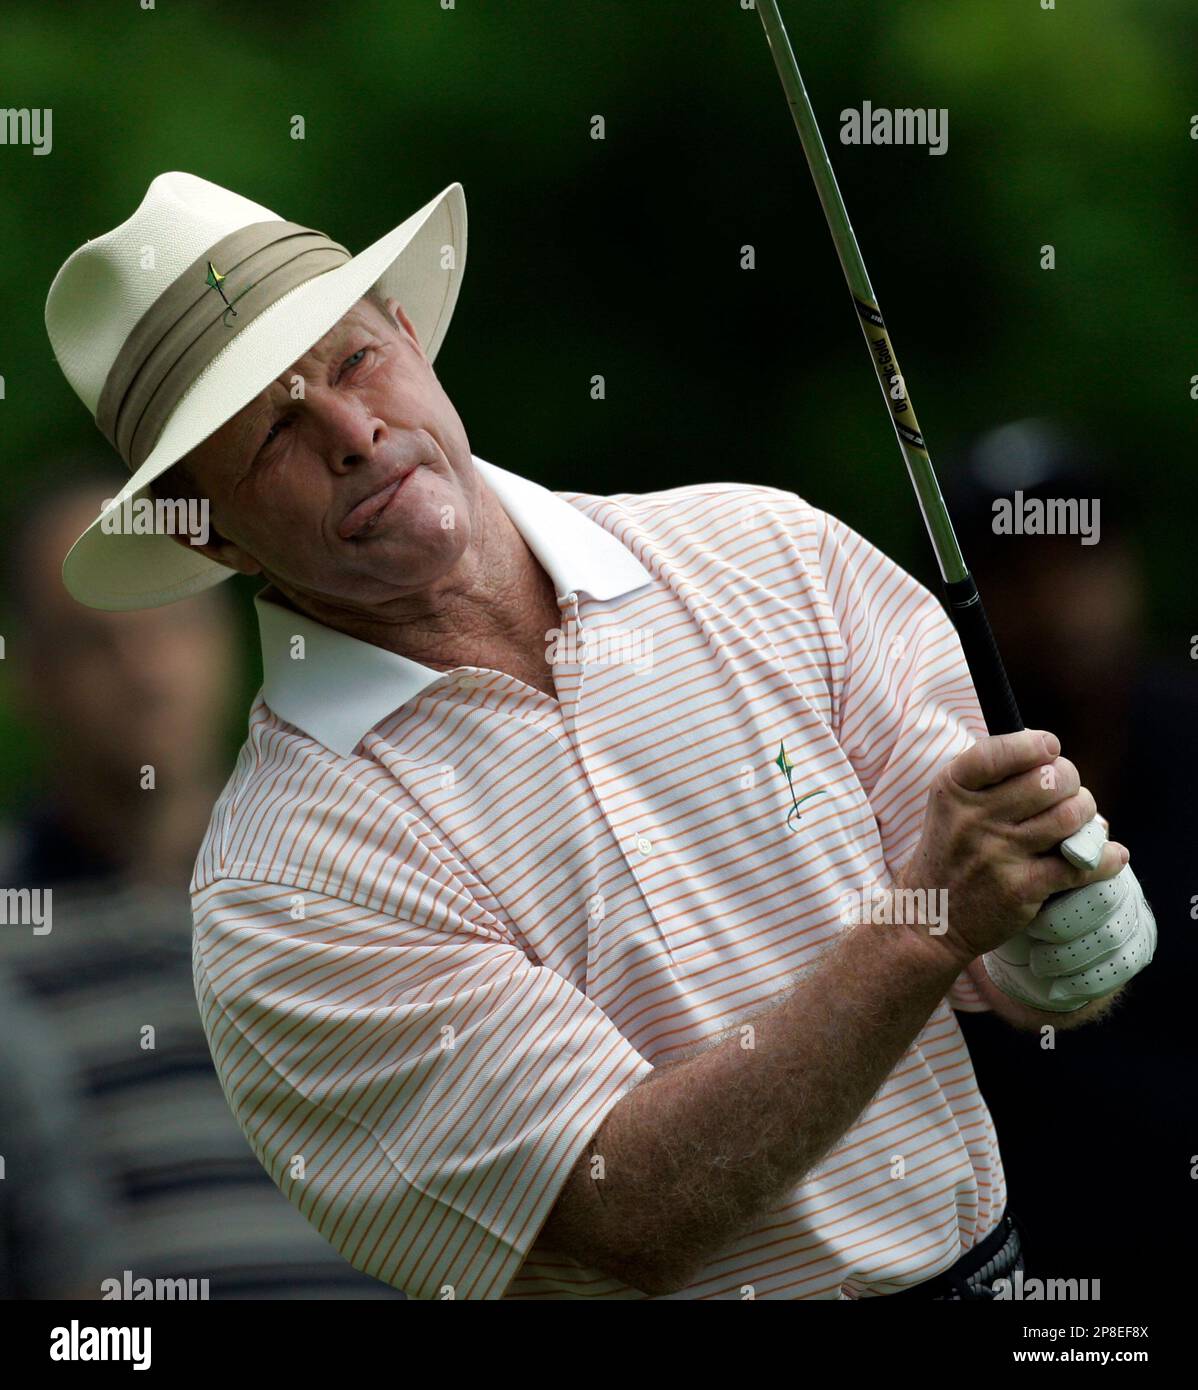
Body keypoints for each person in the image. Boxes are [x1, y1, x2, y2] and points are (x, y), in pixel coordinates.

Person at [41, 171, 1156, 1299]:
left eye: (353, 360)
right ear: (212, 533)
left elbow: (1014, 945)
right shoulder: (281, 887)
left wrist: (1059, 922)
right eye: (276, 427)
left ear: (411, 333)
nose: (352, 430)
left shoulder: (771, 554)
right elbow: (628, 1206)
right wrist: (925, 929)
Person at [0, 479, 406, 1298]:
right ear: (27, 677)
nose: (147, 674)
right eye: (94, 642)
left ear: (228, 640)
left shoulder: (348, 888)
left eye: (173, 625)